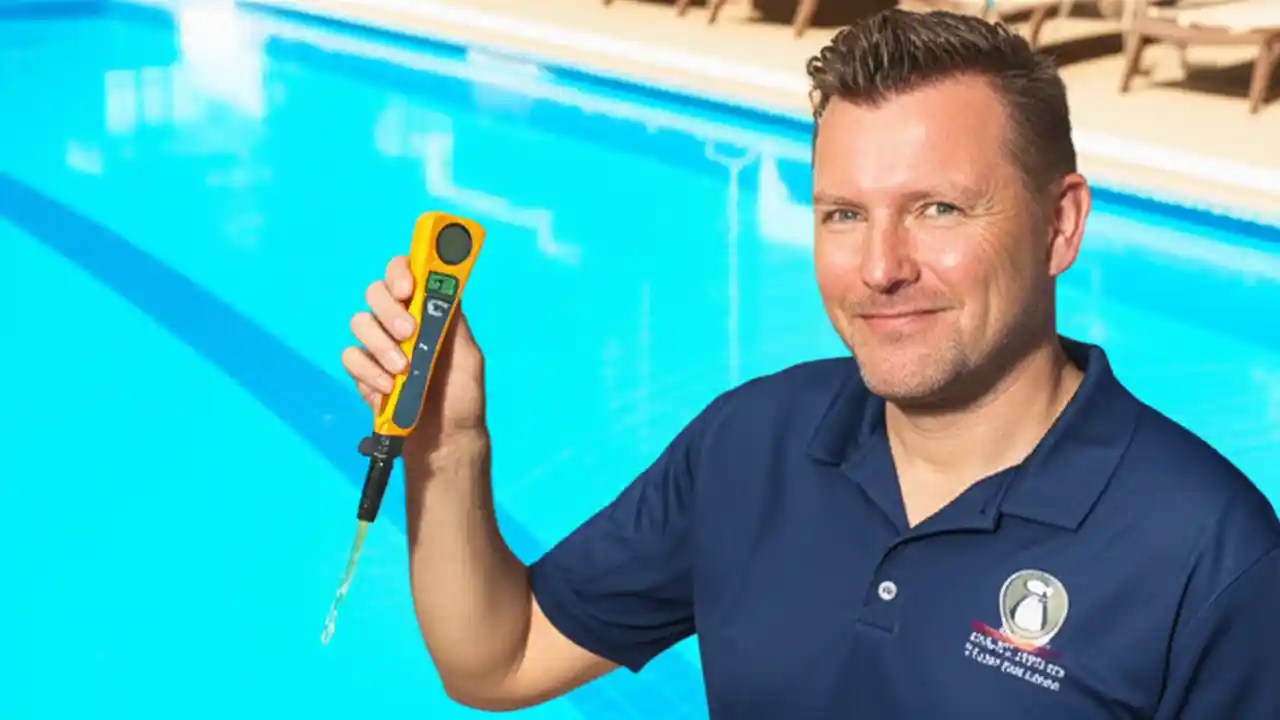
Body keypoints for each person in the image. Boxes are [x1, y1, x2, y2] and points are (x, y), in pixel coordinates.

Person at [340, 8, 1280, 718]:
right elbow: (497, 658)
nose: (881, 268)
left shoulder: (1210, 552)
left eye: (939, 209)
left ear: (1059, 223)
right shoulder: (754, 443)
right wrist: (451, 447)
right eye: (843, 213)